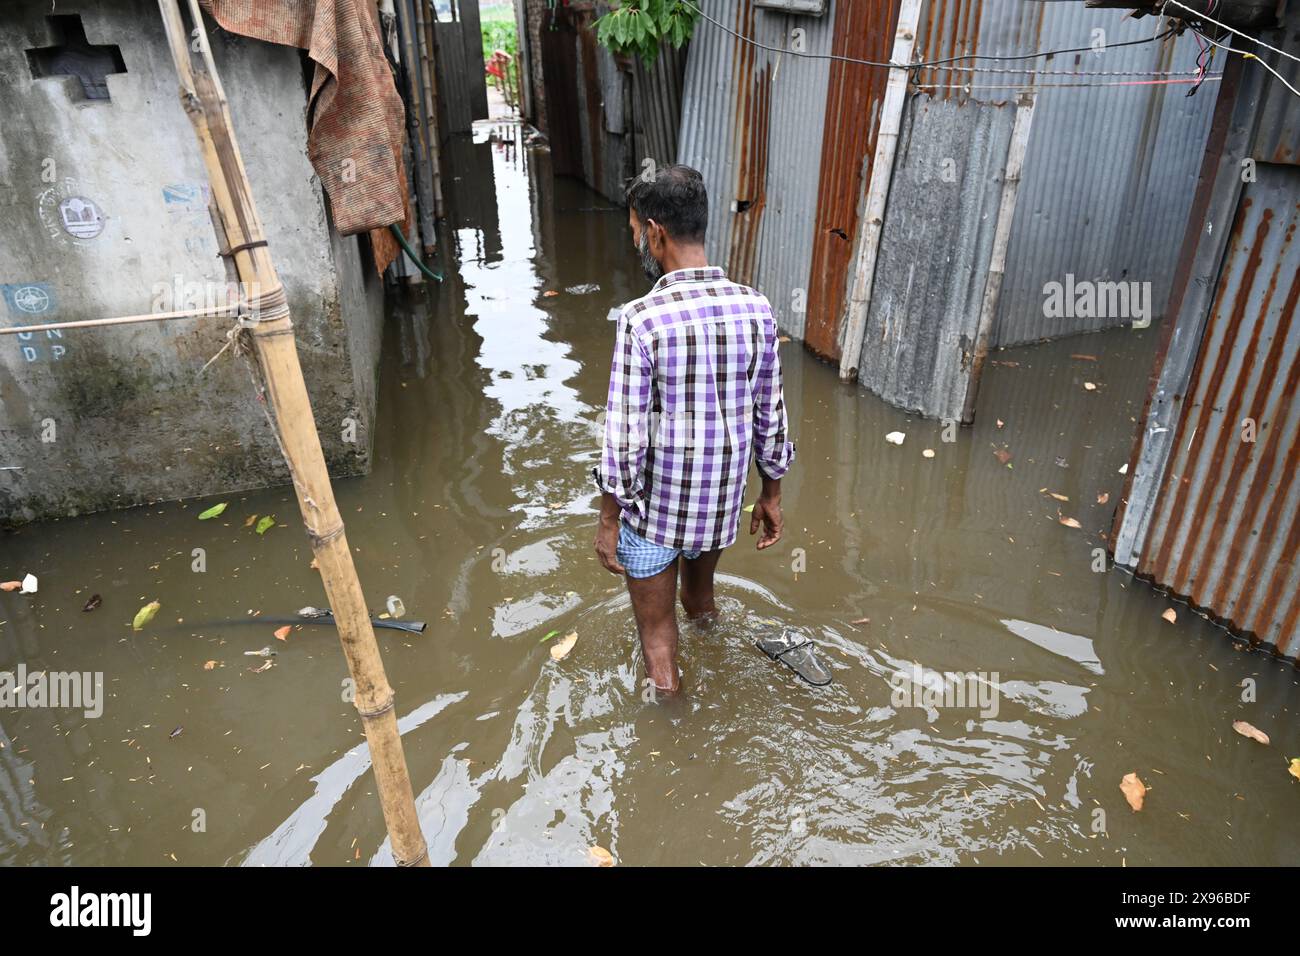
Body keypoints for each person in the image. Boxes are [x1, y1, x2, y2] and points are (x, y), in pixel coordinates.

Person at [591, 164, 795, 694]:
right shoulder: (757, 308)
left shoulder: (642, 319)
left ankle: (675, 740)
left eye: (636, 230)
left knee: (658, 641)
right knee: (700, 603)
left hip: (655, 512)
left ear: (656, 232)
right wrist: (770, 494)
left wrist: (609, 519)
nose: (637, 239)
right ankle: (720, 662)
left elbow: (626, 434)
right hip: (720, 503)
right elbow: (769, 415)